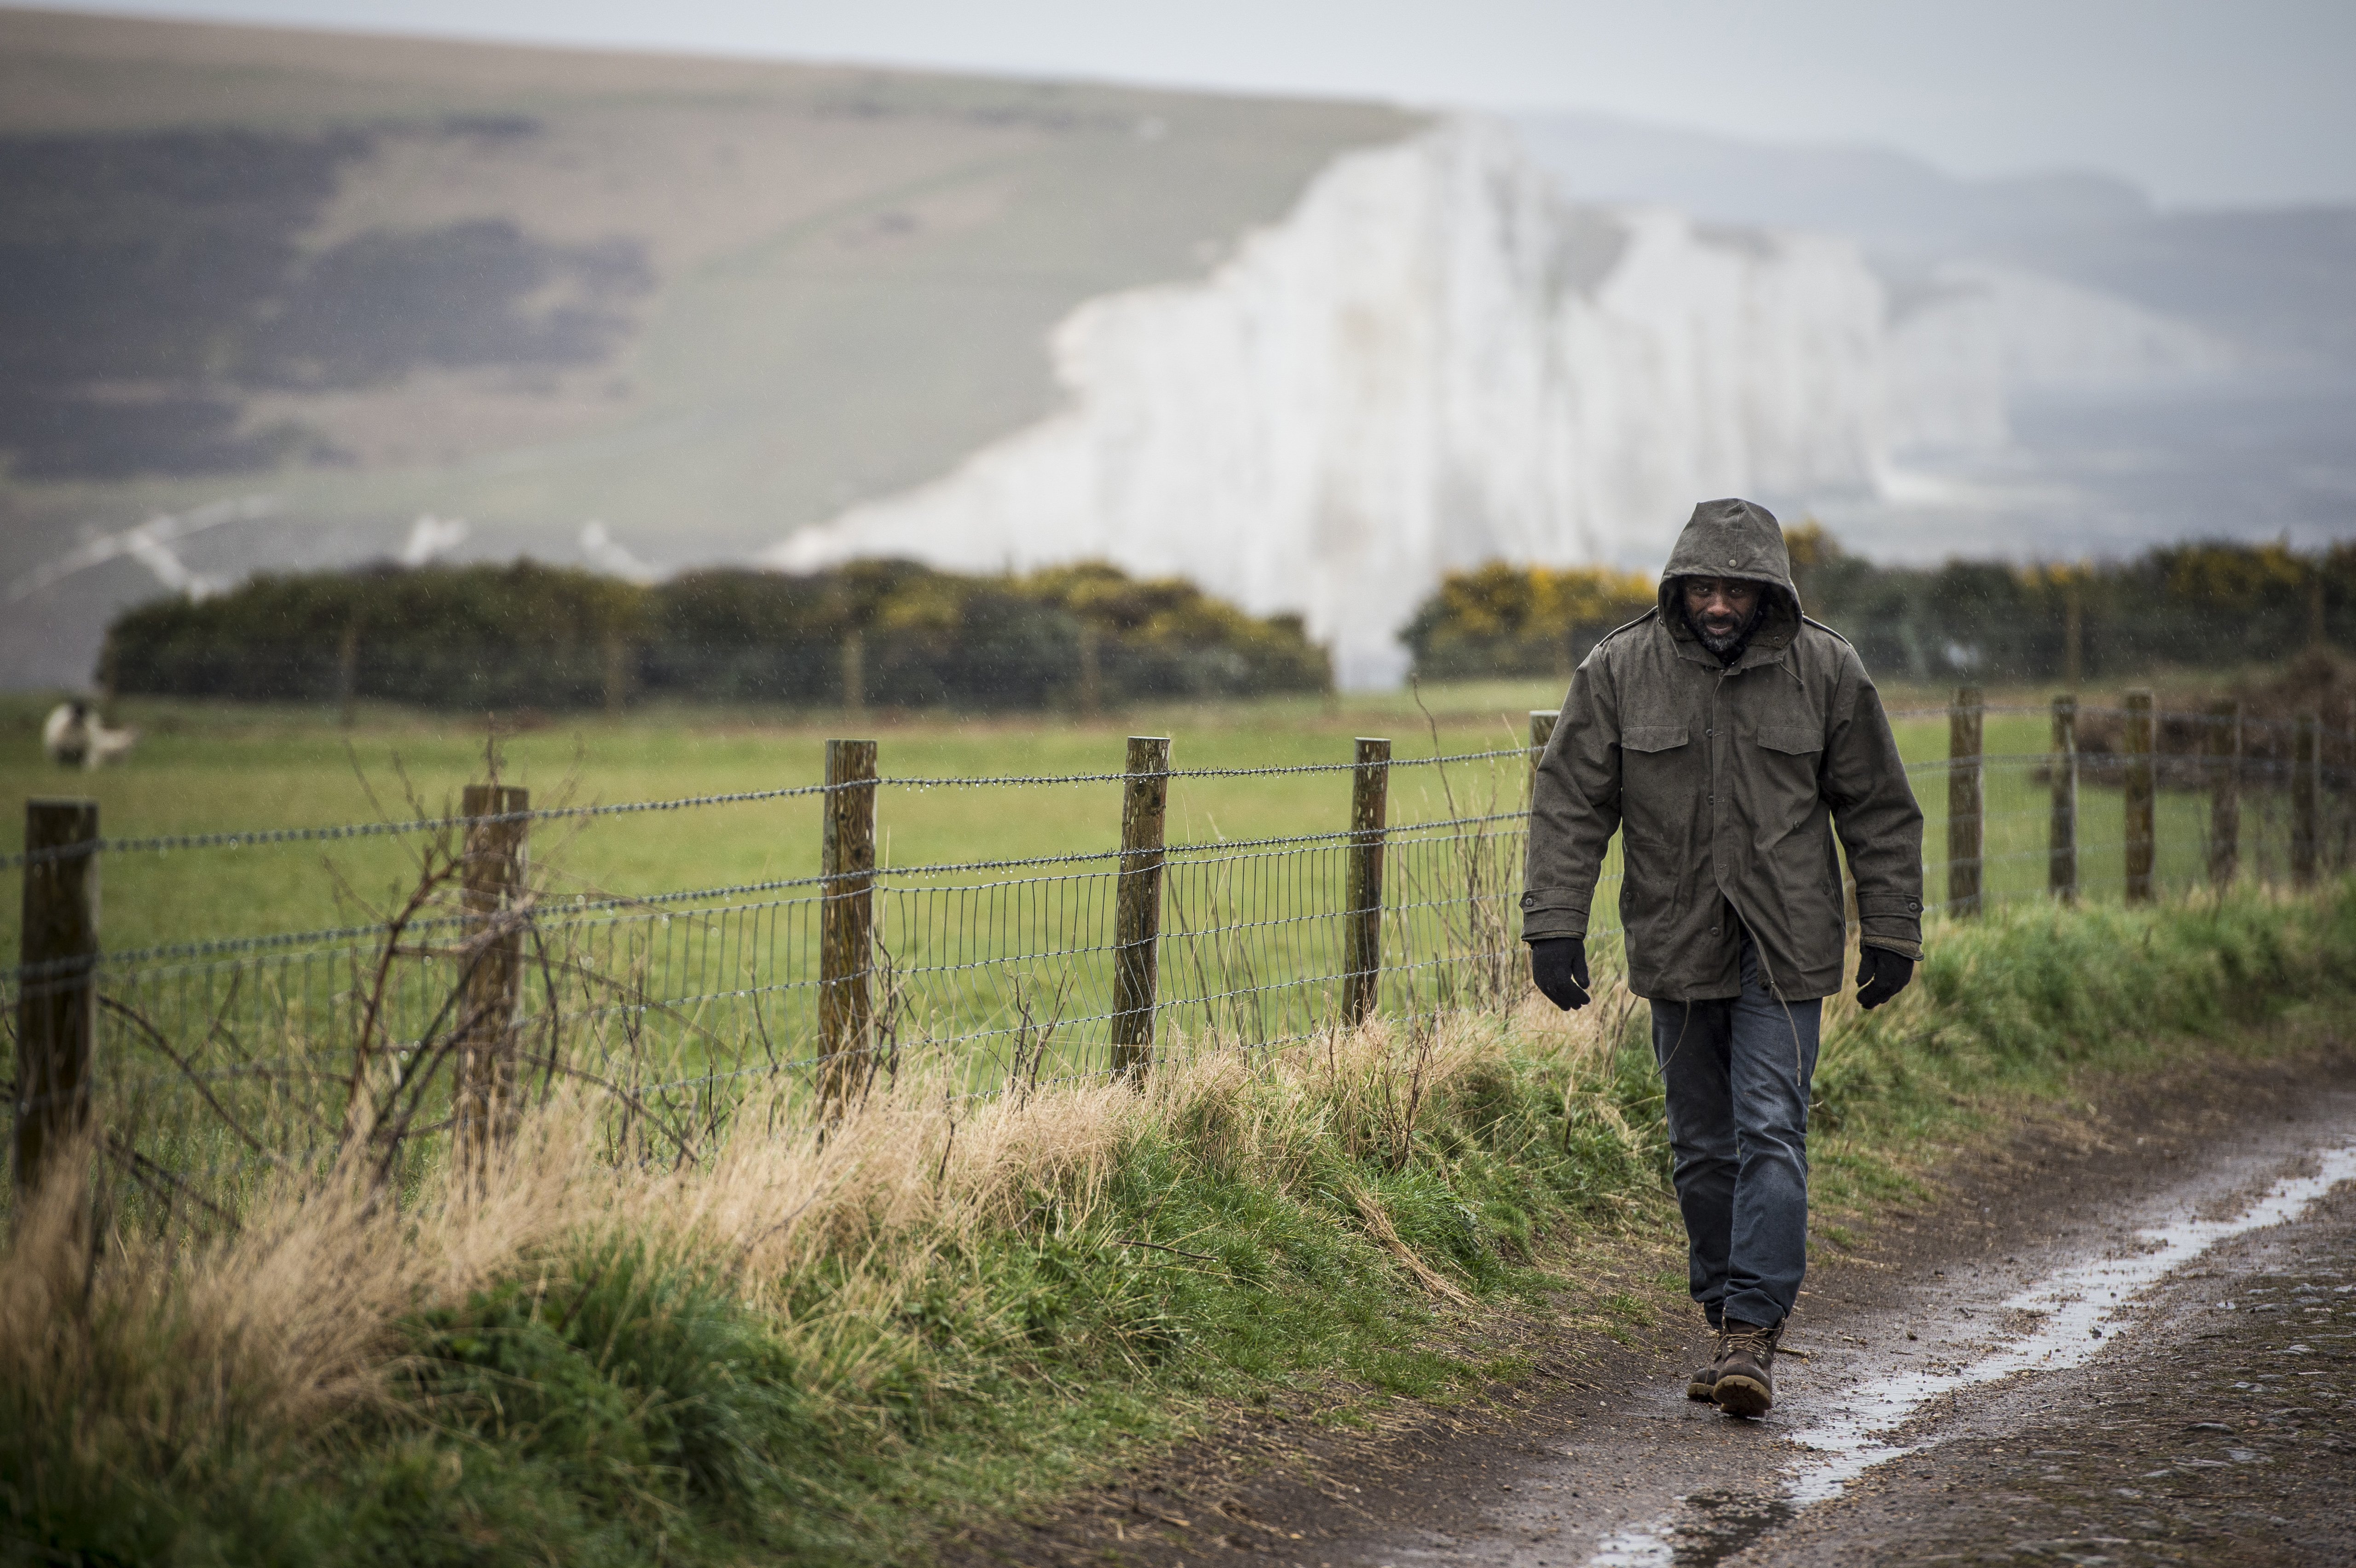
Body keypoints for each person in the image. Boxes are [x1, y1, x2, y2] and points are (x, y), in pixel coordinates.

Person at [1521, 498, 1923, 1418]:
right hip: (1674, 935)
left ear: (1766, 591)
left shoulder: (1826, 669)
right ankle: (1722, 1314)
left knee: (1770, 1127)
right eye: (1701, 586)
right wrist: (1554, 926)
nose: (1716, 604)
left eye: (1734, 589)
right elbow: (1571, 804)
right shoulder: (1620, 669)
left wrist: (1892, 930)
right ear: (1678, 586)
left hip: (1787, 943)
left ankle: (1752, 1332)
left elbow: (1878, 809)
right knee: (1699, 1146)